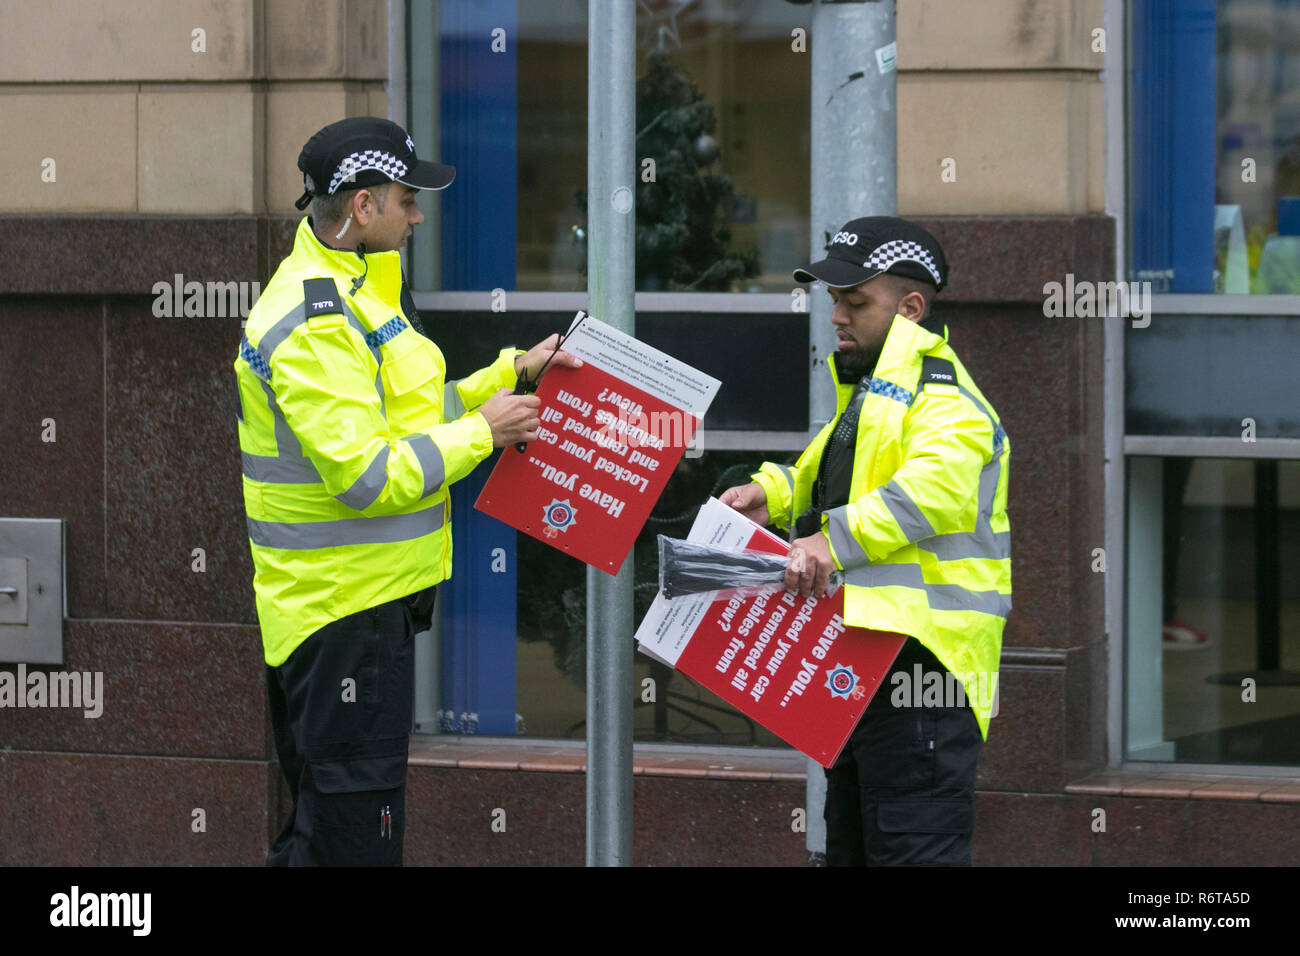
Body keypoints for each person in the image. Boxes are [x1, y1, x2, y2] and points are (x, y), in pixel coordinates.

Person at [234, 116, 579, 866]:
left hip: (354, 614)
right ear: (363, 207)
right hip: (340, 620)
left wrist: (509, 375)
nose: (418, 215)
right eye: (406, 199)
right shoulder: (315, 318)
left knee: (332, 832)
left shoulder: (359, 294)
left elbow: (410, 420)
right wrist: (486, 432)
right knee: (350, 844)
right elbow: (368, 475)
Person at [720, 217, 1011, 866]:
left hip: (924, 679)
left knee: (914, 855)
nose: (837, 316)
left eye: (856, 302)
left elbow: (929, 493)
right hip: (866, 669)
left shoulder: (946, 399)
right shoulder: (877, 393)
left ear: (910, 308)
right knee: (852, 849)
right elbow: (832, 474)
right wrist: (771, 493)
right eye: (834, 301)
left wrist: (832, 543)